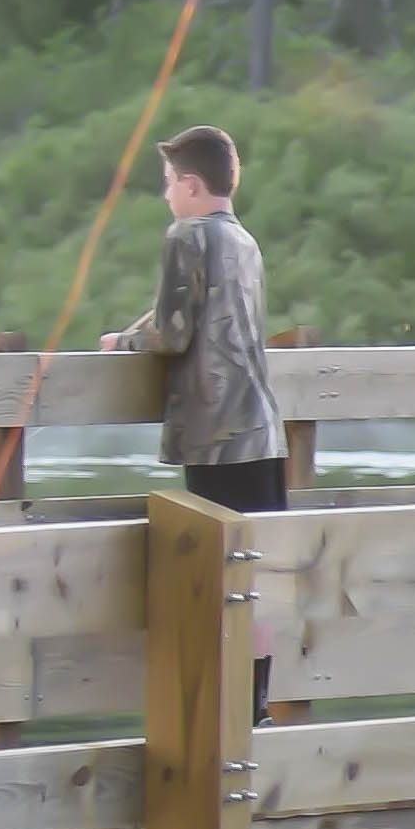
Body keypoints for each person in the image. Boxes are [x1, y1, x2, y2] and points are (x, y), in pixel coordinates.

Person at [101, 124, 280, 708]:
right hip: (263, 429)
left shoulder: (187, 235)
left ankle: (219, 712)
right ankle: (255, 706)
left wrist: (123, 344)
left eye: (169, 183)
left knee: (218, 573)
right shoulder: (244, 240)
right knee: (257, 577)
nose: (166, 195)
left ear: (192, 185)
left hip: (217, 431)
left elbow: (173, 332)